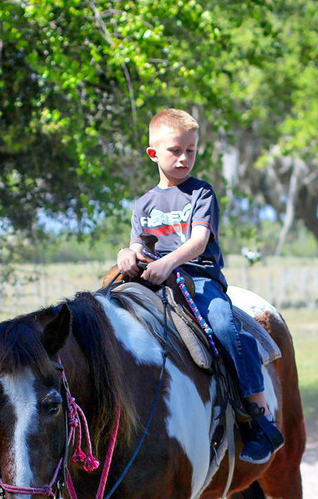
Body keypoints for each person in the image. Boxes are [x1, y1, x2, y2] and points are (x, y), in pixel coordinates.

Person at [114, 108, 283, 463]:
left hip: (199, 280)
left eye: (190, 150)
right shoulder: (143, 203)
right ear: (153, 154)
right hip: (154, 282)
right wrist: (126, 255)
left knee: (224, 324)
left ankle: (259, 415)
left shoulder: (200, 193)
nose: (184, 158)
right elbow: (137, 245)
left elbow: (199, 240)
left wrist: (168, 262)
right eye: (175, 150)